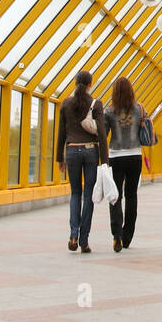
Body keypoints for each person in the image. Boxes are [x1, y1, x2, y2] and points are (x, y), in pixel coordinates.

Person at [56, 70, 107, 253]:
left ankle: (73, 234)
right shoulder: (96, 104)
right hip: (90, 152)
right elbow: (101, 133)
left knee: (75, 193)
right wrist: (105, 160)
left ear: (75, 82)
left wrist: (59, 158)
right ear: (90, 84)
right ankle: (84, 241)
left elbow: (61, 132)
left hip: (71, 151)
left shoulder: (66, 103)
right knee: (88, 196)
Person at [104, 76, 146, 253]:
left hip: (115, 156)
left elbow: (103, 134)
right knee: (131, 196)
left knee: (116, 196)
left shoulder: (109, 111)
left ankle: (116, 235)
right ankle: (127, 236)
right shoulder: (139, 109)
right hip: (135, 155)